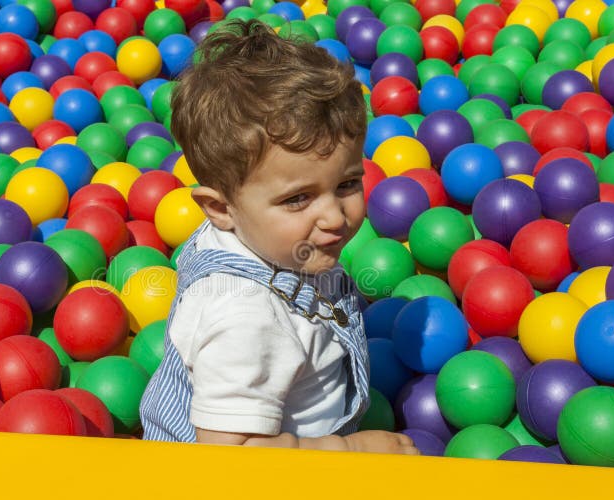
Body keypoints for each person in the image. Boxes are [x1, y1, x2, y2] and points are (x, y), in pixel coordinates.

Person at [139, 20, 418, 455]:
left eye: (346, 184)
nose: (333, 216)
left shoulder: (257, 235)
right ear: (220, 209)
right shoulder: (247, 318)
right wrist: (353, 451)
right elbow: (233, 456)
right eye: (298, 198)